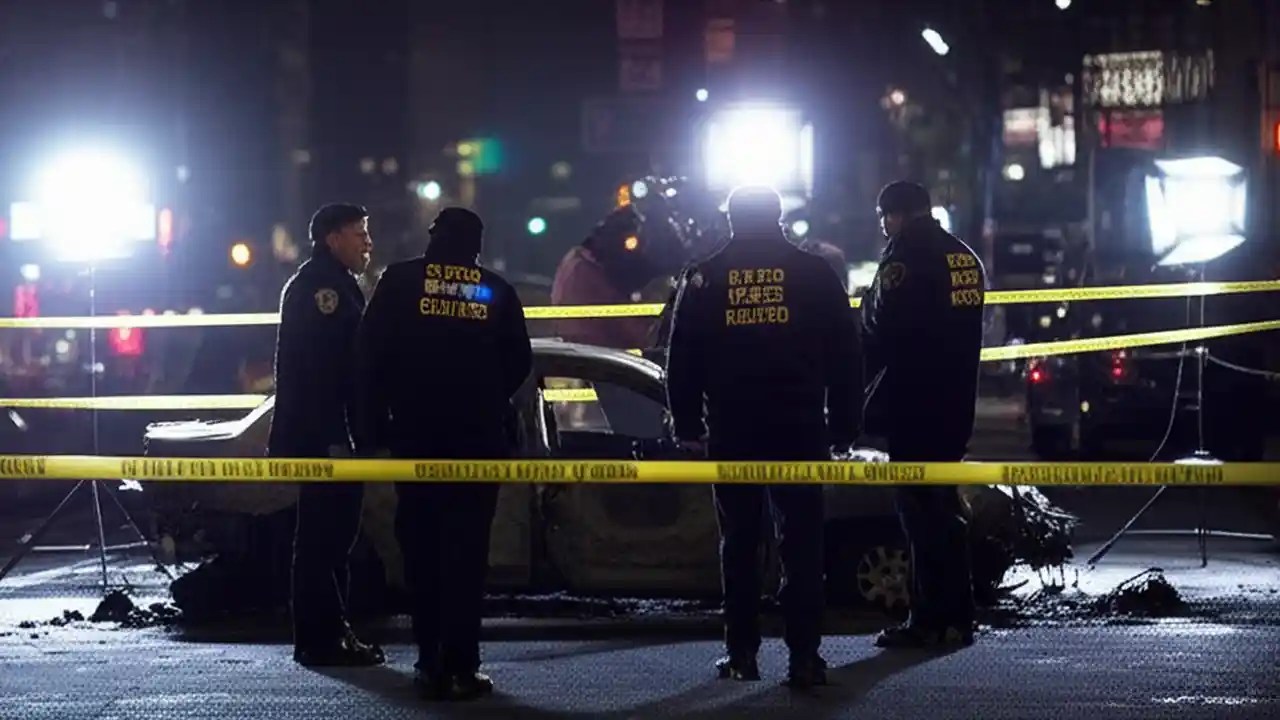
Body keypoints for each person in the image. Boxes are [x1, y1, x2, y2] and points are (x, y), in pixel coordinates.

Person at [665, 186, 862, 688]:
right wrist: (843, 426)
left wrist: (687, 426)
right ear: (779, 219)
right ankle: (805, 657)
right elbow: (846, 354)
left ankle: (742, 654)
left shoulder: (706, 277)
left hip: (734, 430)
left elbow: (681, 359)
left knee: (739, 544)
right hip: (799, 428)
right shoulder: (815, 274)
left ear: (731, 220)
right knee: (802, 544)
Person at [355, 207, 532, 701]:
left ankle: (430, 661)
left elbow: (368, 357)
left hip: (415, 439)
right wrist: (487, 396)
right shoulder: (495, 289)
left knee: (422, 551)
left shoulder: (399, 281)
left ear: (433, 239)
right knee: (467, 554)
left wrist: (372, 427)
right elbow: (520, 361)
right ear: (476, 244)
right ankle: (463, 664)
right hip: (477, 441)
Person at [861, 181, 986, 649]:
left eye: (882, 217)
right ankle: (959, 616)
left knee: (920, 517)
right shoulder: (964, 257)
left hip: (914, 405)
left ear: (895, 214)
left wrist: (850, 396)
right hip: (956, 405)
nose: (881, 226)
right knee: (946, 510)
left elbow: (877, 329)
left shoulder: (903, 259)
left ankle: (928, 619)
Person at [267, 202, 383, 667]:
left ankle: (331, 634)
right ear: (332, 238)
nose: (367, 243)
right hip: (327, 439)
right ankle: (321, 639)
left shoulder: (332, 284)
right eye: (359, 233)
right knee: (323, 540)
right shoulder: (322, 290)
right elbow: (324, 375)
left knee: (332, 539)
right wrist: (339, 437)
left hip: (332, 436)